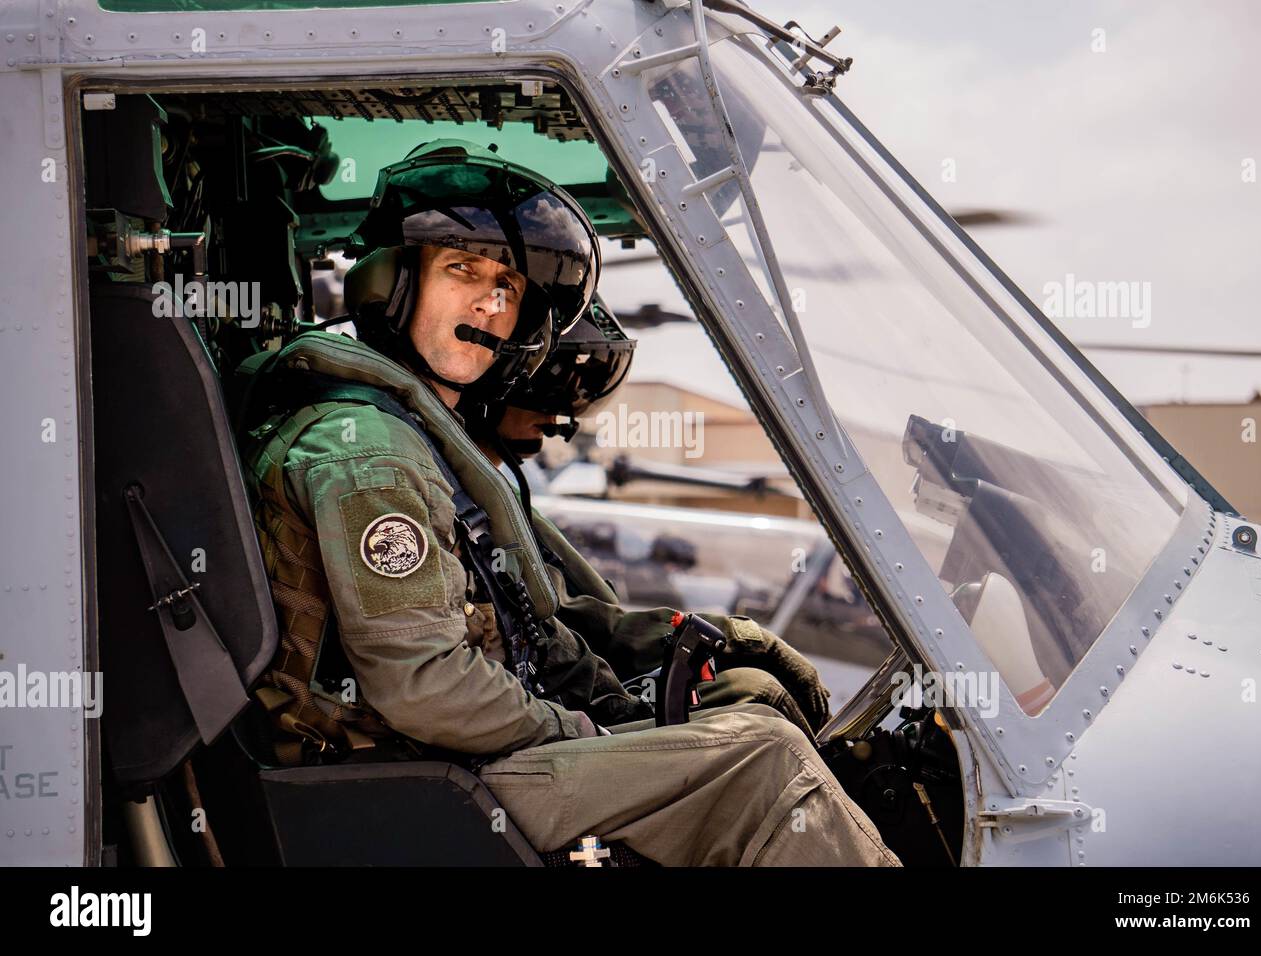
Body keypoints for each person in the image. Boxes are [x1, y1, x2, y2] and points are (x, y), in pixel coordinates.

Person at [242, 140, 899, 866]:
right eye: (464, 270)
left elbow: (513, 629)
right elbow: (423, 686)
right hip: (416, 778)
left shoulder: (404, 436)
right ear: (393, 282)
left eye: (510, 287)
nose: (492, 302)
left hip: (452, 761)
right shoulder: (370, 454)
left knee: (748, 721)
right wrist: (584, 734)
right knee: (762, 762)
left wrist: (615, 711)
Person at [460, 303, 831, 739]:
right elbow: (557, 636)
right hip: (551, 722)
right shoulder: (466, 505)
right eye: (544, 377)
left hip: (573, 702)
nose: (562, 408)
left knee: (762, 692)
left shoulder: (496, 496)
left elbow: (583, 623)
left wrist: (737, 638)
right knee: (761, 699)